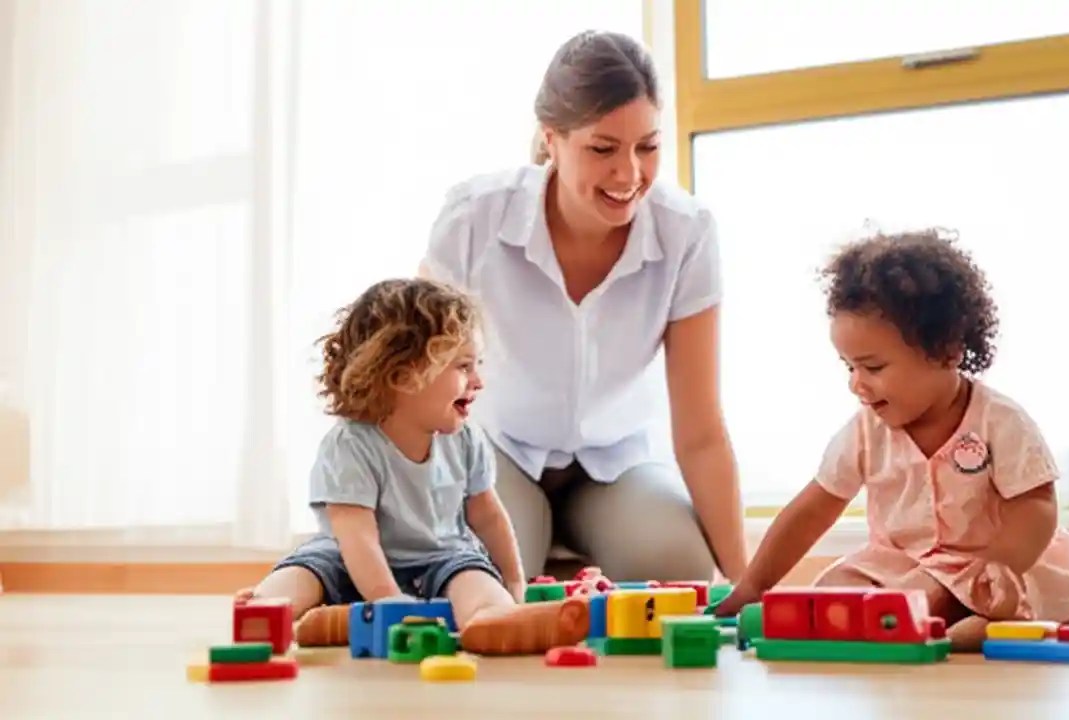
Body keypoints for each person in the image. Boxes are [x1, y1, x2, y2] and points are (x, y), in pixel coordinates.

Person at [419, 30, 746, 584]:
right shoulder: (474, 218)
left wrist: (747, 584)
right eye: (603, 148)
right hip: (499, 452)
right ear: (552, 139)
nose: (629, 174)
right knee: (482, 573)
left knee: (679, 569)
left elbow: (700, 432)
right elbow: (418, 384)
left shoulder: (687, 233)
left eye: (647, 146)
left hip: (616, 463)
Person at [713, 228, 1069, 651]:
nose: (856, 384)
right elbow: (812, 509)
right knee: (834, 588)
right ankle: (929, 627)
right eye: (848, 367)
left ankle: (966, 627)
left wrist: (998, 568)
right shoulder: (865, 431)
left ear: (946, 351)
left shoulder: (999, 421)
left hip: (991, 566)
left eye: (872, 367)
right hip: (901, 566)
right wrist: (755, 583)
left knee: (929, 596)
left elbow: (1035, 506)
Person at [235, 278, 589, 655]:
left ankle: (493, 618)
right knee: (307, 568)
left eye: (477, 365)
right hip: (350, 559)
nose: (479, 382)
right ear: (403, 375)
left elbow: (488, 517)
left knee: (472, 573)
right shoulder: (351, 446)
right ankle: (268, 608)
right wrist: (388, 602)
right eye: (464, 367)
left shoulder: (467, 440)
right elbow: (358, 537)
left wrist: (513, 584)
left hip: (440, 556)